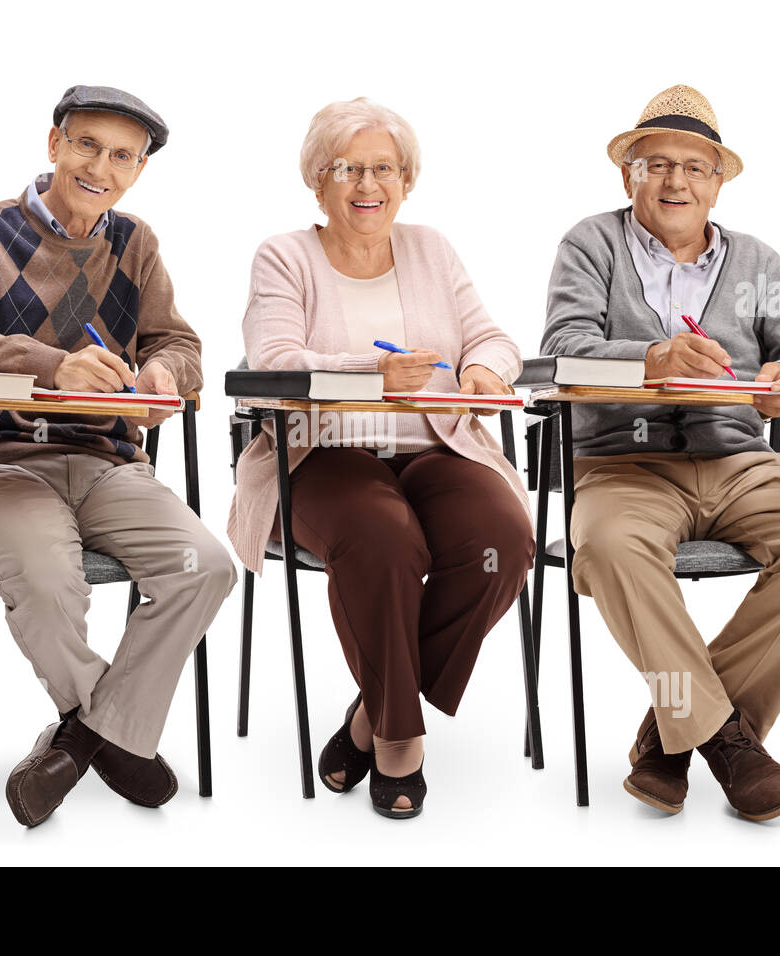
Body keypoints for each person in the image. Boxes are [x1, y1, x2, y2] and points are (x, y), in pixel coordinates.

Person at [541, 84, 780, 821]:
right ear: (628, 175)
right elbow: (561, 351)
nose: (675, 180)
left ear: (717, 182)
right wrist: (651, 358)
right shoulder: (590, 244)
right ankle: (726, 741)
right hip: (624, 463)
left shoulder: (755, 261)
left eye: (694, 166)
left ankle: (672, 732)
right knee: (611, 549)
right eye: (655, 163)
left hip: (739, 462)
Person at [0, 85, 237, 827]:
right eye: (88, 144)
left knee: (207, 567)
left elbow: (177, 342)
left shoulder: (136, 242)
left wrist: (166, 375)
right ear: (54, 143)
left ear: (138, 171)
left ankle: (81, 739)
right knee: (49, 578)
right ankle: (117, 737)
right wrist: (50, 366)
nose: (102, 165)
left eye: (123, 156)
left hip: (108, 465)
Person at [228, 97, 535, 819]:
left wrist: (488, 370)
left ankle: (368, 713)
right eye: (349, 169)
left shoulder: (431, 248)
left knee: (503, 538)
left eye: (384, 169)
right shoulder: (285, 255)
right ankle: (398, 737)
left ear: (406, 180)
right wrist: (369, 372)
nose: (368, 185)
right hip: (324, 452)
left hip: (436, 442)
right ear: (318, 180)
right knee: (383, 535)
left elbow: (492, 337)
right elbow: (274, 361)